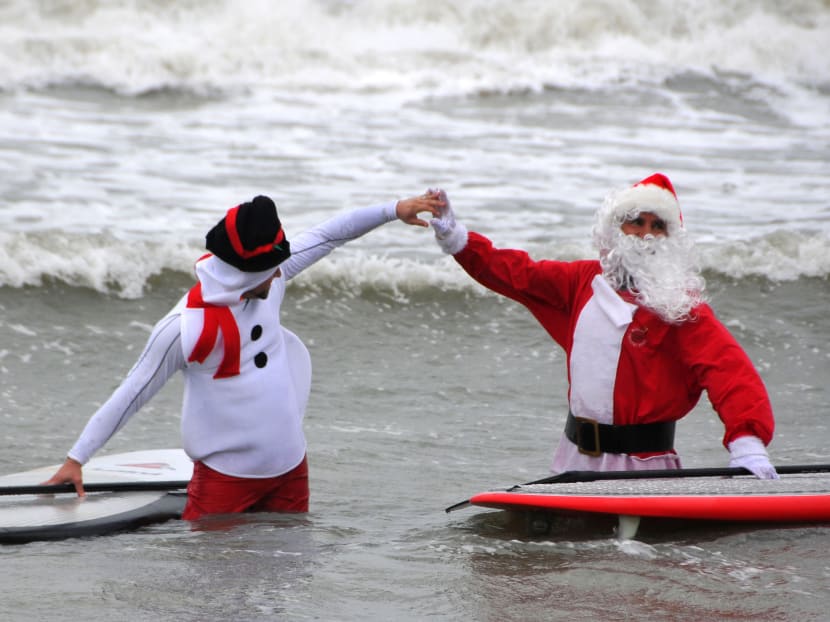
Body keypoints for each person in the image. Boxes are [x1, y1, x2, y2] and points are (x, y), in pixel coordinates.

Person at [45, 192, 444, 519]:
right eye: (271, 270)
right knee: (211, 582)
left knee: (284, 577)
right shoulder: (184, 328)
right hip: (225, 480)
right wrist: (77, 459)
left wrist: (393, 210)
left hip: (290, 468)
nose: (280, 274)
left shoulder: (272, 275)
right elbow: (132, 392)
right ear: (245, 274)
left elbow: (330, 234)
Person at [428, 174, 778, 479]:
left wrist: (747, 443)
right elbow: (516, 274)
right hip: (573, 458)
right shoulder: (581, 281)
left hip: (644, 468)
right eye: (636, 222)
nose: (646, 234)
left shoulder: (682, 308)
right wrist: (456, 237)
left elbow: (729, 372)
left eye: (658, 226)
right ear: (616, 229)